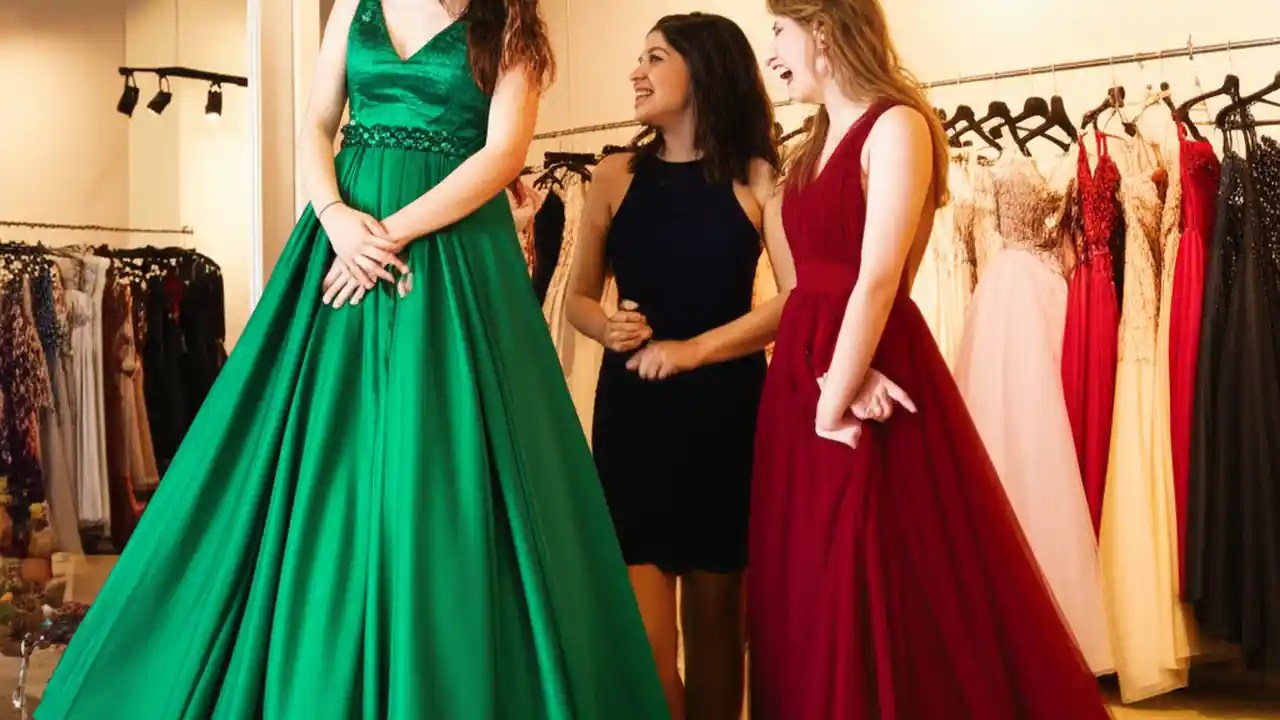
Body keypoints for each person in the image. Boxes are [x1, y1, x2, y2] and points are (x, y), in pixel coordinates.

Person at [34, 1, 668, 718]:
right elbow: (316, 123)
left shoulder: (510, 18)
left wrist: (383, 237)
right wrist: (336, 219)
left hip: (447, 249)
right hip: (342, 238)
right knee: (312, 454)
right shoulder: (356, 7)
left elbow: (502, 155)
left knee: (438, 458)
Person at [746, 1, 1112, 717]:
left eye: (779, 32)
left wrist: (836, 397)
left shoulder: (897, 126)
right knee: (811, 583)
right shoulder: (812, 144)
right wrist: (824, 386)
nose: (771, 53)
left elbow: (882, 275)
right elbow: (807, 284)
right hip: (810, 375)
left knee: (878, 575)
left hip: (854, 378)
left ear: (822, 29)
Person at [565, 13, 787, 720]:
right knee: (644, 651)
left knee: (718, 636)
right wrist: (608, 325)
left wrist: (694, 349)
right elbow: (576, 300)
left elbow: (797, 300)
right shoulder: (613, 176)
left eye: (655, 58)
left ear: (705, 68)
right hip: (633, 422)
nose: (636, 71)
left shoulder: (758, 178)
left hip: (726, 419)